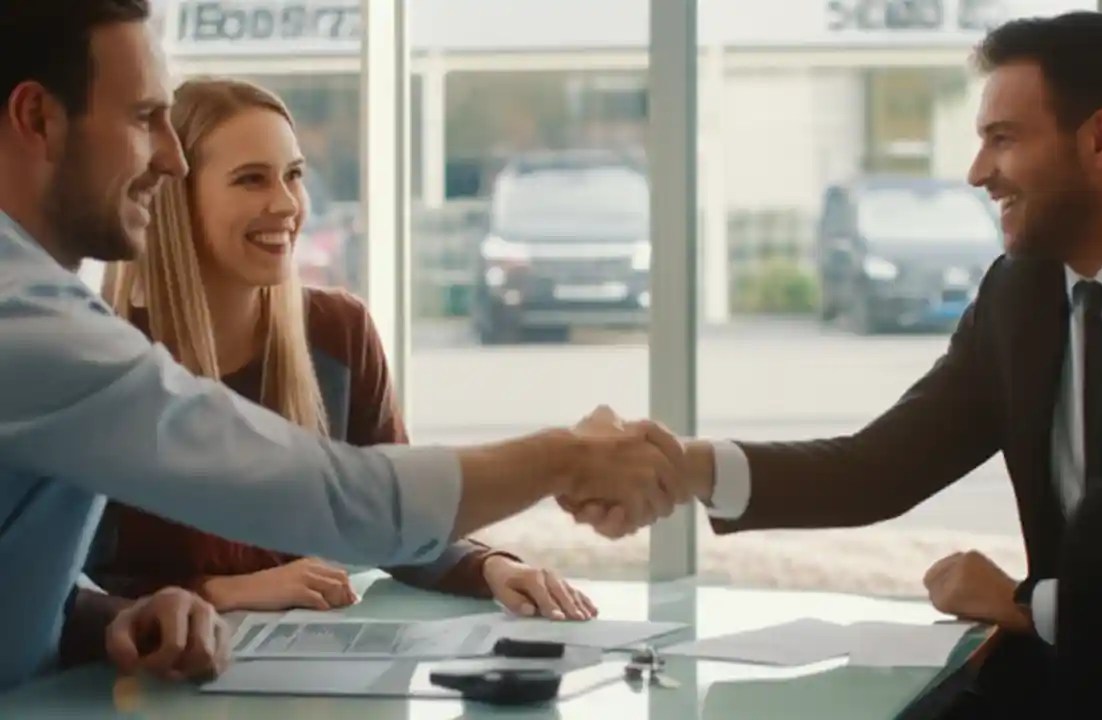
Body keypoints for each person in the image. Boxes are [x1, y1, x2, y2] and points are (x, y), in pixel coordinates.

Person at [575, 11, 1102, 718]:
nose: (978, 174)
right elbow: (880, 467)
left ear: (1100, 139)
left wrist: (1023, 603)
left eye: (1002, 140)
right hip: (1057, 686)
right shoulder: (1020, 293)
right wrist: (687, 465)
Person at [0, 0, 682, 692]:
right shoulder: (34, 327)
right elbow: (348, 500)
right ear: (37, 119)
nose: (168, 157)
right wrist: (565, 458)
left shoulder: (53, 316)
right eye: (144, 118)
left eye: (293, 174)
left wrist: (123, 613)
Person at [89, 77, 595, 622]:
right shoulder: (111, 359)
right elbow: (70, 583)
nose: (286, 204)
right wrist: (219, 592)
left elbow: (392, 524)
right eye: (251, 180)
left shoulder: (338, 330)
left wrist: (493, 567)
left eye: (294, 176)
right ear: (176, 201)